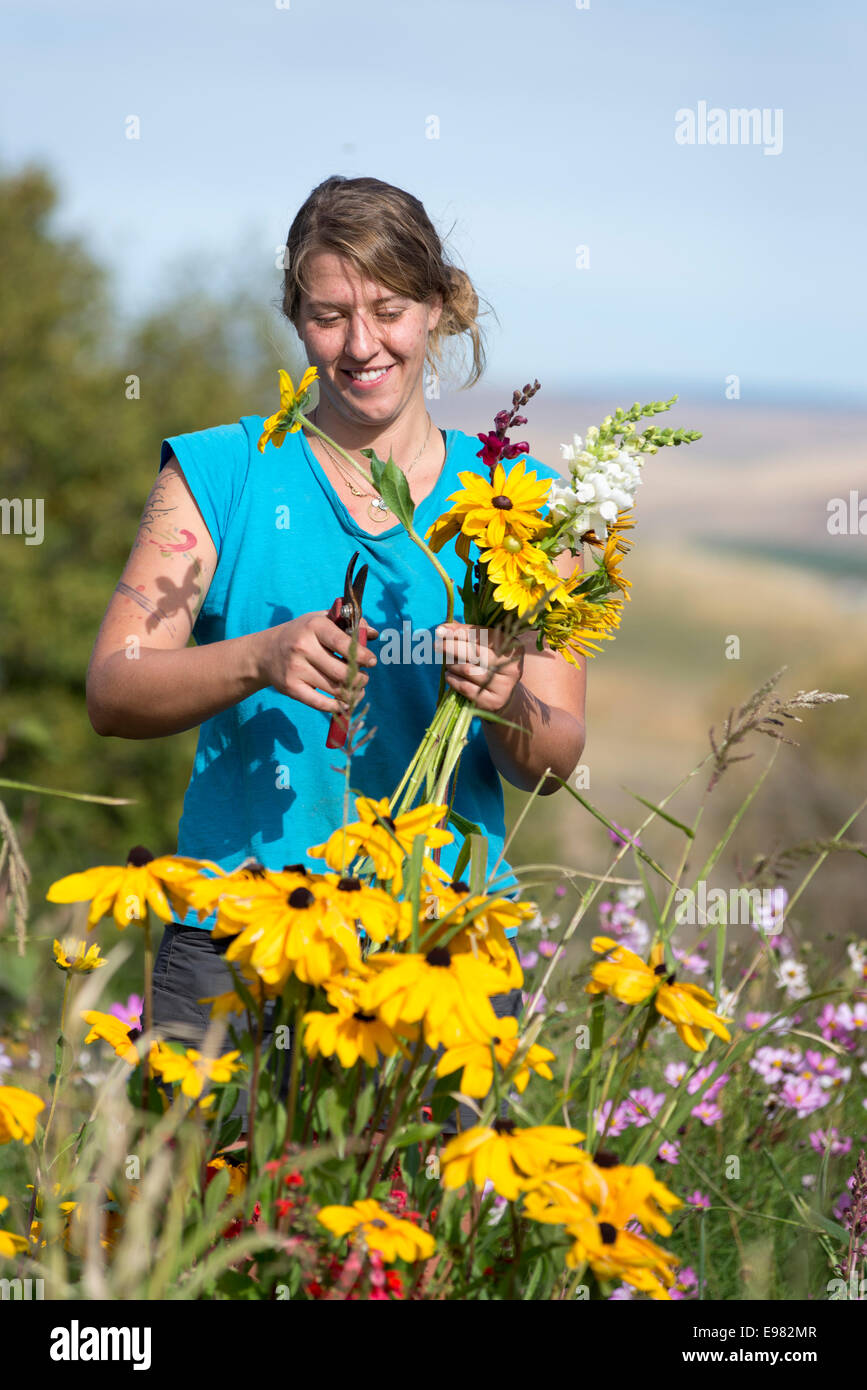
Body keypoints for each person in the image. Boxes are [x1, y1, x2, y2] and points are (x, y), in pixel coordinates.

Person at [85, 174, 586, 1128]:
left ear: (437, 309)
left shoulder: (517, 502)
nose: (362, 346)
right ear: (295, 319)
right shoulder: (219, 473)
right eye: (328, 316)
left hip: (443, 948)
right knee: (209, 1236)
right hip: (237, 942)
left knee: (434, 1248)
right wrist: (256, 658)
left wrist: (505, 698)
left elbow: (556, 758)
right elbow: (114, 689)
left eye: (389, 311)